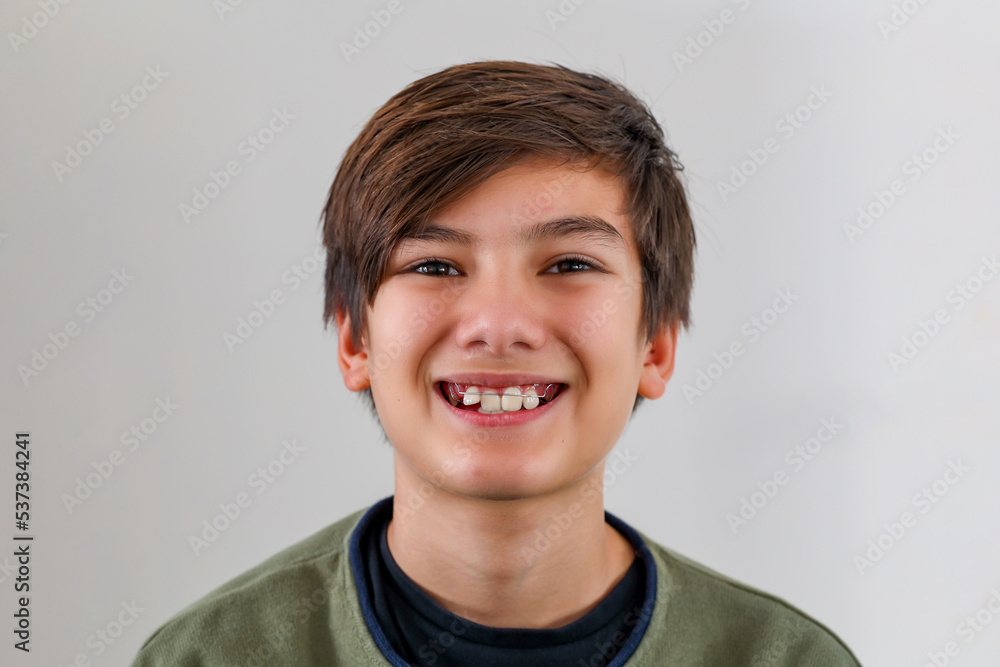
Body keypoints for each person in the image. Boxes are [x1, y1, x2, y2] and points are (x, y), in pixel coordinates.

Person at [132, 60, 861, 666]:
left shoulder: (785, 658)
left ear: (657, 345)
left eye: (570, 261)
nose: (499, 325)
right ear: (355, 339)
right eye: (436, 265)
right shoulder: (211, 656)